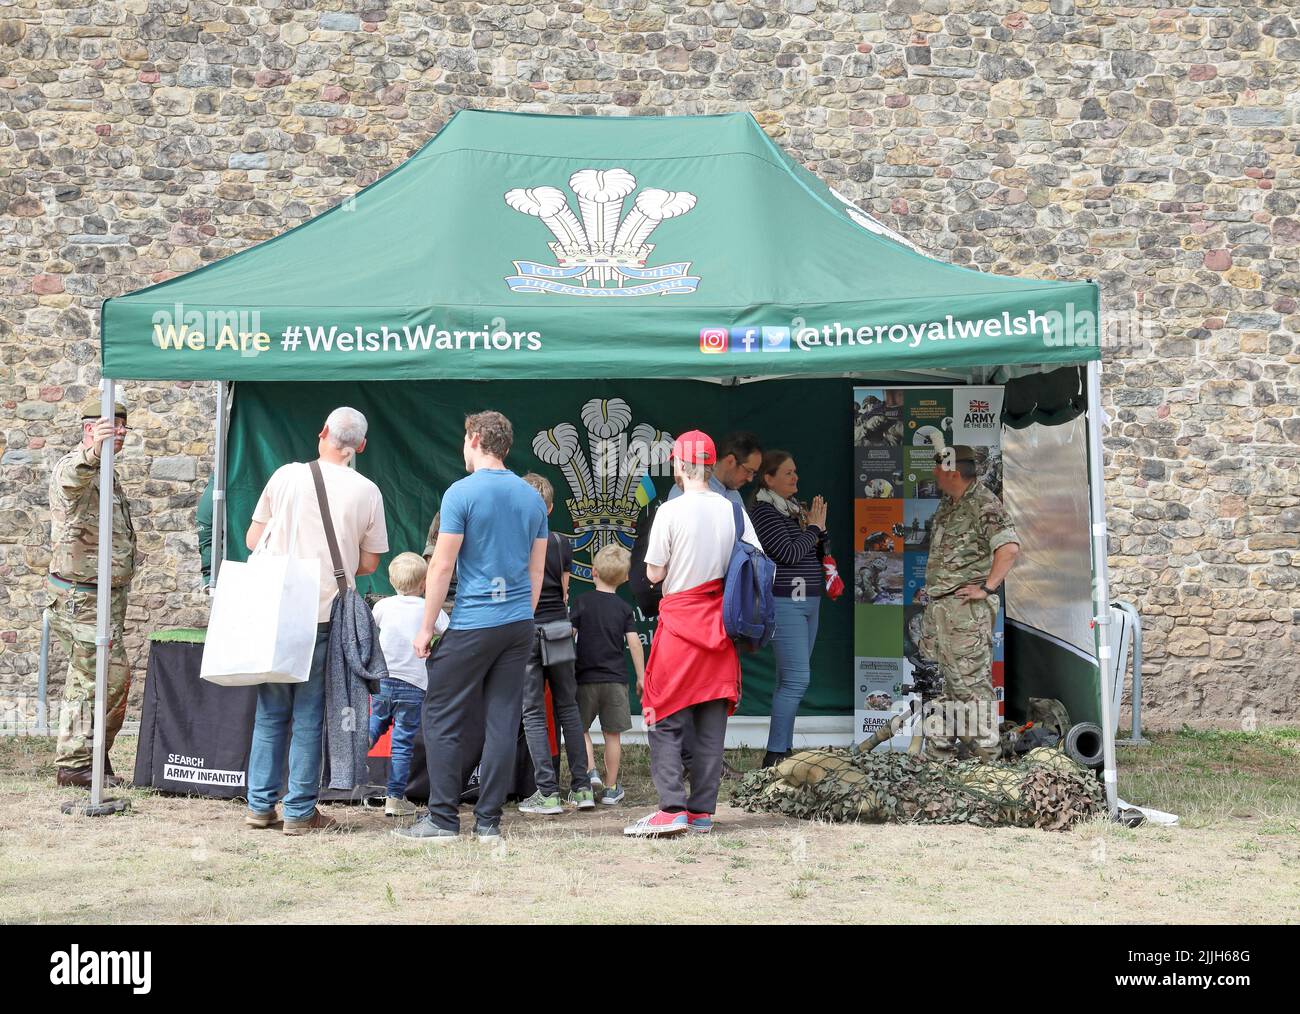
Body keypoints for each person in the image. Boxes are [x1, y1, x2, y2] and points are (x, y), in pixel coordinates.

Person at [395, 411, 548, 844]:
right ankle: (488, 824)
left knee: (441, 715)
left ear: (477, 439)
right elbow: (536, 573)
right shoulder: (532, 497)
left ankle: (442, 820)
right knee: (502, 720)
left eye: (465, 438)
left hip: (474, 621)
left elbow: (441, 564)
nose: (464, 446)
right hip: (518, 623)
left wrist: (426, 626)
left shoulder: (460, 494)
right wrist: (522, 615)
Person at [242, 407, 388, 834]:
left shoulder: (285, 476)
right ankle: (301, 811)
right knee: (310, 715)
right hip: (325, 610)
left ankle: (259, 806)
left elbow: (254, 540)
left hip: (276, 607)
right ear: (360, 446)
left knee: (271, 712)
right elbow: (368, 562)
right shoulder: (368, 490)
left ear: (322, 433)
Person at [624, 430, 762, 838]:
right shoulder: (733, 509)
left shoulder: (670, 511)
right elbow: (754, 562)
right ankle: (701, 811)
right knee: (711, 721)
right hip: (720, 626)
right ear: (710, 463)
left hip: (680, 626)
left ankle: (671, 808)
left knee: (663, 715)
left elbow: (652, 574)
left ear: (678, 466)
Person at [48, 395, 136, 788]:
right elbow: (70, 478)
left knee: (88, 679)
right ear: (90, 429)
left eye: (122, 428)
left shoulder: (109, 472)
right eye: (110, 427)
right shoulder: (79, 465)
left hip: (104, 595)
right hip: (81, 595)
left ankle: (85, 757)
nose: (118, 434)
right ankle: (78, 762)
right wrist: (90, 451)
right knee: (105, 676)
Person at [920, 445, 1020, 763]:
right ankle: (939, 757)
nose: (934, 473)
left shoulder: (984, 503)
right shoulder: (949, 504)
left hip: (964, 612)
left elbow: (1009, 548)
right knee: (937, 682)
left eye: (938, 467)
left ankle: (989, 759)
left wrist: (987, 589)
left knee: (969, 686)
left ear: (952, 471)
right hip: (939, 610)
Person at [515, 472, 594, 816]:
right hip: (559, 628)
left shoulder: (514, 540)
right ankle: (582, 789)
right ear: (549, 507)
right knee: (568, 709)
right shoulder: (563, 542)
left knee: (533, 711)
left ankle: (547, 792)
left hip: (528, 628)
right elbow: (563, 592)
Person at [747, 450, 828, 769]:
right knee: (797, 680)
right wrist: (814, 530)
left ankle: (784, 748)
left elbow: (818, 551)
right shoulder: (765, 513)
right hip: (785, 601)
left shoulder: (794, 510)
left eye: (796, 472)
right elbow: (788, 554)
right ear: (769, 478)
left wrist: (819, 530)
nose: (796, 478)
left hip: (809, 600)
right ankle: (775, 754)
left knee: (789, 679)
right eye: (788, 473)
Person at [370, 552, 446, 817]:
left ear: (391, 581)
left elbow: (370, 631)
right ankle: (395, 798)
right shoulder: (429, 609)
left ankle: (348, 771)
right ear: (425, 583)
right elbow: (448, 633)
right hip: (414, 685)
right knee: (402, 743)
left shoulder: (382, 607)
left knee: (372, 728)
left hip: (382, 682)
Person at [571, 544, 644, 806]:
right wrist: (641, 677)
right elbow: (635, 643)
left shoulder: (581, 603)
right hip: (615, 680)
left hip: (584, 679)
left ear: (593, 572)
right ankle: (612, 788)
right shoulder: (624, 609)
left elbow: (569, 636)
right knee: (613, 735)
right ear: (625, 579)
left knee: (579, 729)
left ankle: (590, 771)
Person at [665, 430, 761, 507]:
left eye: (753, 473)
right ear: (730, 461)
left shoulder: (735, 496)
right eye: (748, 471)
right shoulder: (685, 489)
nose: (750, 479)